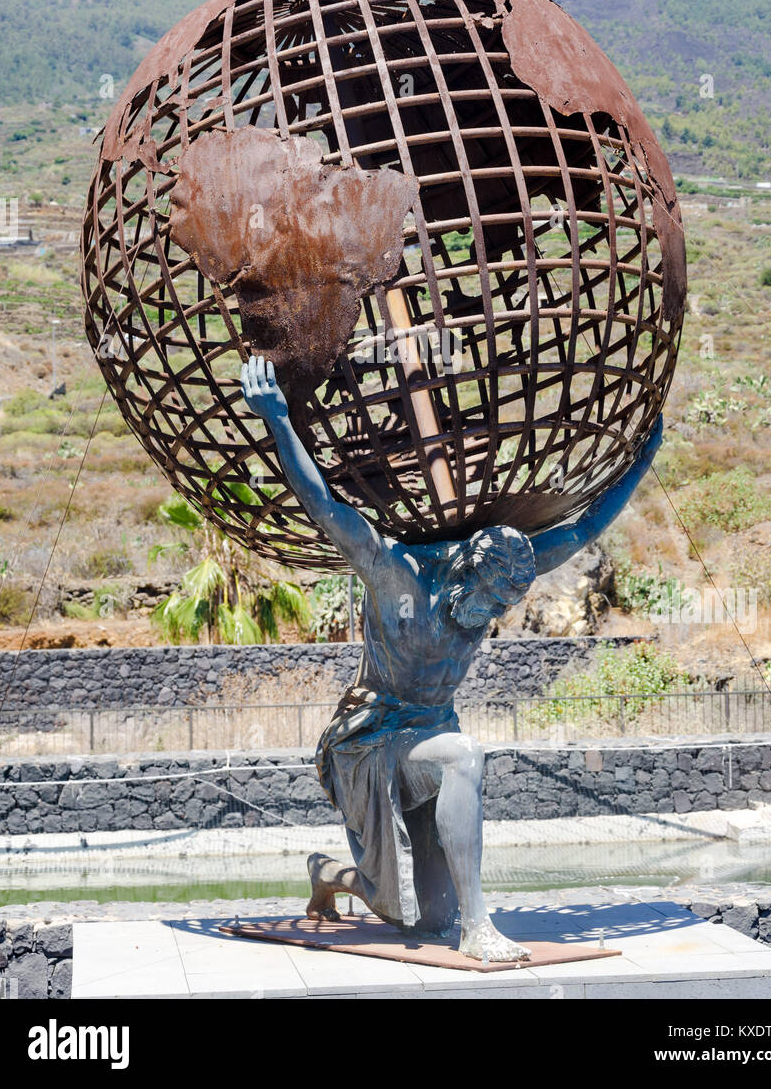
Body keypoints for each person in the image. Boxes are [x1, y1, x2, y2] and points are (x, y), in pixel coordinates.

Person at [242, 356, 662, 962]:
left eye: (503, 605)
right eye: (488, 600)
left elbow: (583, 529)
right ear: (466, 572)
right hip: (371, 736)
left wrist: (642, 460)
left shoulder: (496, 580)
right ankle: (478, 928)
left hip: (429, 731)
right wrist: (278, 419)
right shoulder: (396, 574)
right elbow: (325, 507)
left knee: (420, 916)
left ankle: (329, 873)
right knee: (465, 757)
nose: (492, 614)